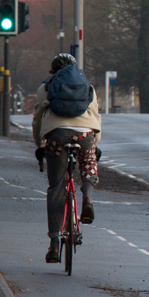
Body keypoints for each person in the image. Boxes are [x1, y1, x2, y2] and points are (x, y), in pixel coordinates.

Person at [32, 53, 101, 264]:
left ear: (53, 71)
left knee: (56, 187)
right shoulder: (87, 86)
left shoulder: (45, 88)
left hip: (57, 136)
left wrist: (39, 144)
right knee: (88, 165)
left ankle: (54, 244)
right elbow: (96, 117)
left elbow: (37, 121)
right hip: (85, 134)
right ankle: (87, 198)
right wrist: (94, 143)